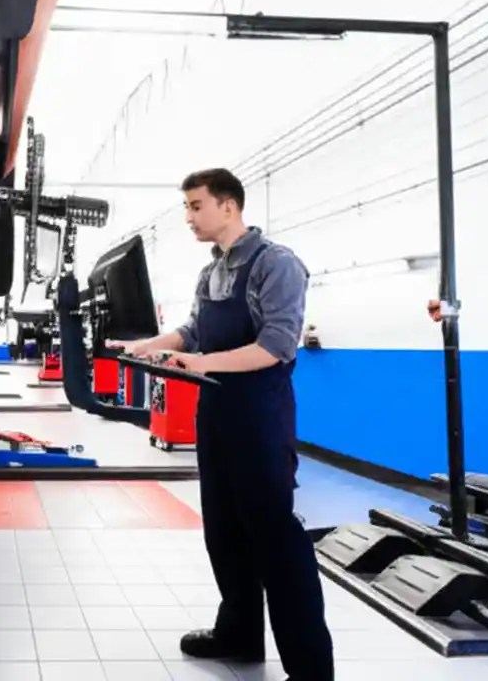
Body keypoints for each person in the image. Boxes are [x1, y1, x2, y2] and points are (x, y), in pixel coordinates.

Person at [107, 168, 334, 681]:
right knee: (224, 531)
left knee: (274, 536)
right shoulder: (211, 272)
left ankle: (311, 667)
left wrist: (204, 363)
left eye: (195, 206)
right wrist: (149, 346)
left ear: (228, 206)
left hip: (259, 415)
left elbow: (276, 346)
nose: (188, 217)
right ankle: (240, 633)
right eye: (187, 207)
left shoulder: (275, 265)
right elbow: (193, 330)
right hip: (217, 414)